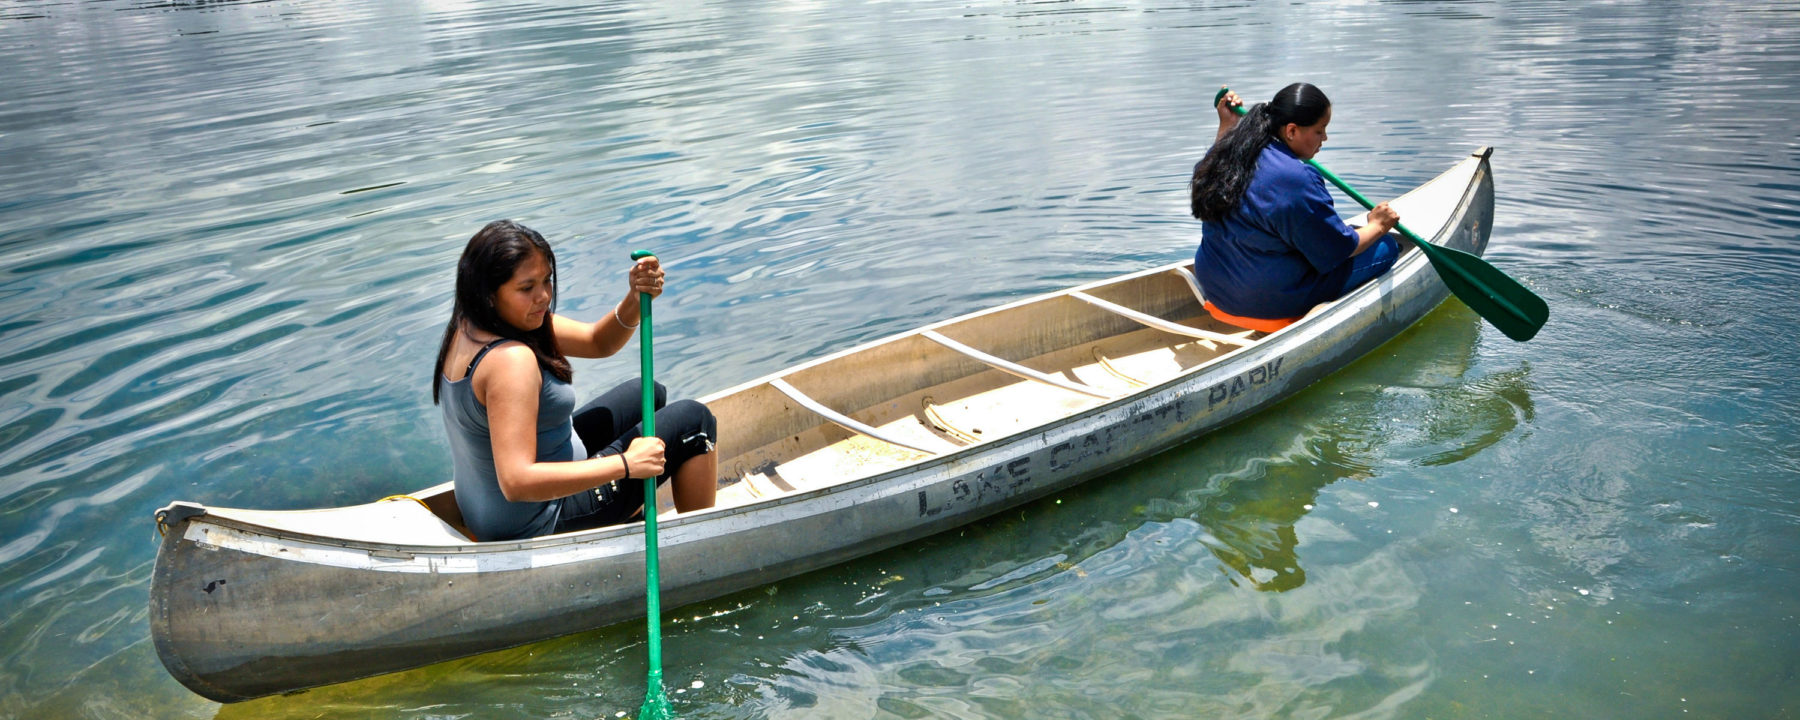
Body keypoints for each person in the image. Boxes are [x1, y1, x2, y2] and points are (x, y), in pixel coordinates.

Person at [432, 220, 718, 542]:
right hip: (535, 519)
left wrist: (634, 298)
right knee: (695, 420)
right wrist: (626, 464)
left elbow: (598, 342)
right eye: (526, 288)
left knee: (647, 393)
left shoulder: (470, 327)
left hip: (486, 510)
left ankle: (625, 516)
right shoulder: (510, 361)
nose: (543, 296)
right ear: (488, 294)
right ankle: (700, 540)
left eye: (547, 280)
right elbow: (517, 481)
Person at [1189, 83, 1402, 332]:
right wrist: (1377, 225)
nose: (1324, 138)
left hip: (1215, 288)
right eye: (1319, 130)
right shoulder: (1296, 178)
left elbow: (1211, 173)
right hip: (1267, 302)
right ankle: (1320, 311)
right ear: (1291, 131)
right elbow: (1341, 249)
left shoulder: (1227, 153)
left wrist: (1227, 124)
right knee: (1386, 247)